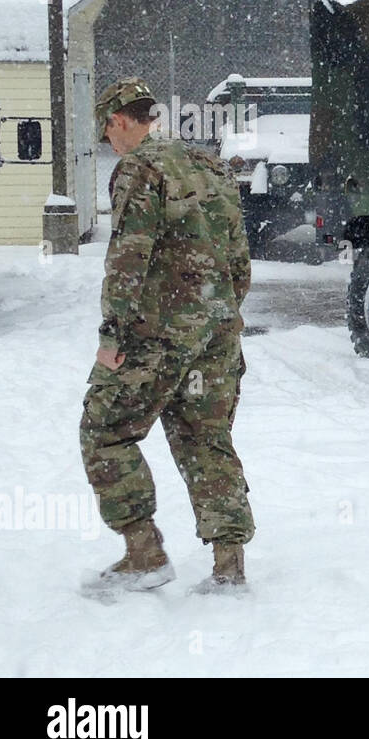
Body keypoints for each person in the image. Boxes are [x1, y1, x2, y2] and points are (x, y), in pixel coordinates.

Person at [80, 77, 255, 594]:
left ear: (120, 120)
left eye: (108, 130)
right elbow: (239, 261)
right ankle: (229, 565)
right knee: (206, 438)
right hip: (217, 333)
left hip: (156, 334)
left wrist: (113, 335)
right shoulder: (209, 165)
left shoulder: (138, 169)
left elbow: (127, 260)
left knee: (103, 431)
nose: (109, 141)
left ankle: (144, 551)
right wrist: (217, 317)